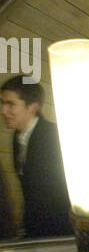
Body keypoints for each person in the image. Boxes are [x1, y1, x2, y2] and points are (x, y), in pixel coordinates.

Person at [0, 76, 72, 237]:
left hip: (62, 232)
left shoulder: (55, 136)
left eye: (10, 104)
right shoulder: (17, 137)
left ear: (32, 107)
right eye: (2, 103)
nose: (3, 111)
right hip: (36, 230)